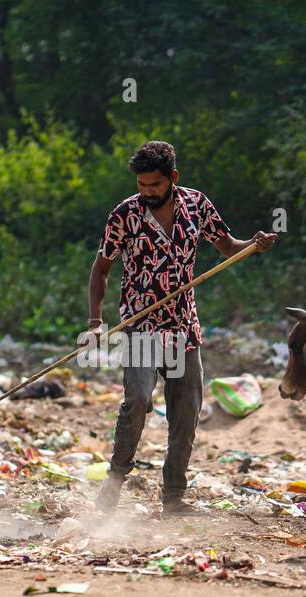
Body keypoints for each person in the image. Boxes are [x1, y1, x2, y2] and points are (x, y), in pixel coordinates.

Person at [83, 140, 277, 515]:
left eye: (154, 185)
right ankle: (114, 480)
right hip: (140, 323)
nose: (147, 192)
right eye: (141, 185)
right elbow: (101, 269)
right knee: (137, 401)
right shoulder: (125, 214)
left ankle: (173, 496)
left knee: (186, 410)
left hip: (182, 327)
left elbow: (226, 244)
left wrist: (252, 245)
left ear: (173, 177)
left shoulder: (197, 205)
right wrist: (95, 322)